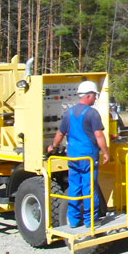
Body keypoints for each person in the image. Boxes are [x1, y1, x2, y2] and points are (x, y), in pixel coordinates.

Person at [46, 80, 110, 228]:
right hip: (88, 158)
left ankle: (73, 221)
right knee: (89, 188)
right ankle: (90, 221)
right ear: (89, 95)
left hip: (73, 157)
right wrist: (106, 152)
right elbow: (99, 135)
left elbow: (60, 134)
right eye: (95, 96)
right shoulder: (92, 113)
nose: (95, 99)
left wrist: (52, 147)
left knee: (75, 187)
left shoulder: (68, 113)